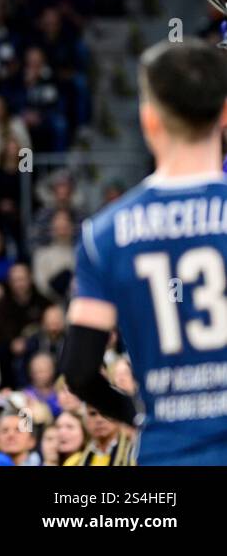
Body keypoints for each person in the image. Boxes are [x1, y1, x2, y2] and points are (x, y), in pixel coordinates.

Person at [65, 40, 227, 465]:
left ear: (149, 119)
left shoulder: (104, 234)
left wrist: (137, 413)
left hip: (167, 450)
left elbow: (79, 371)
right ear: (224, 113)